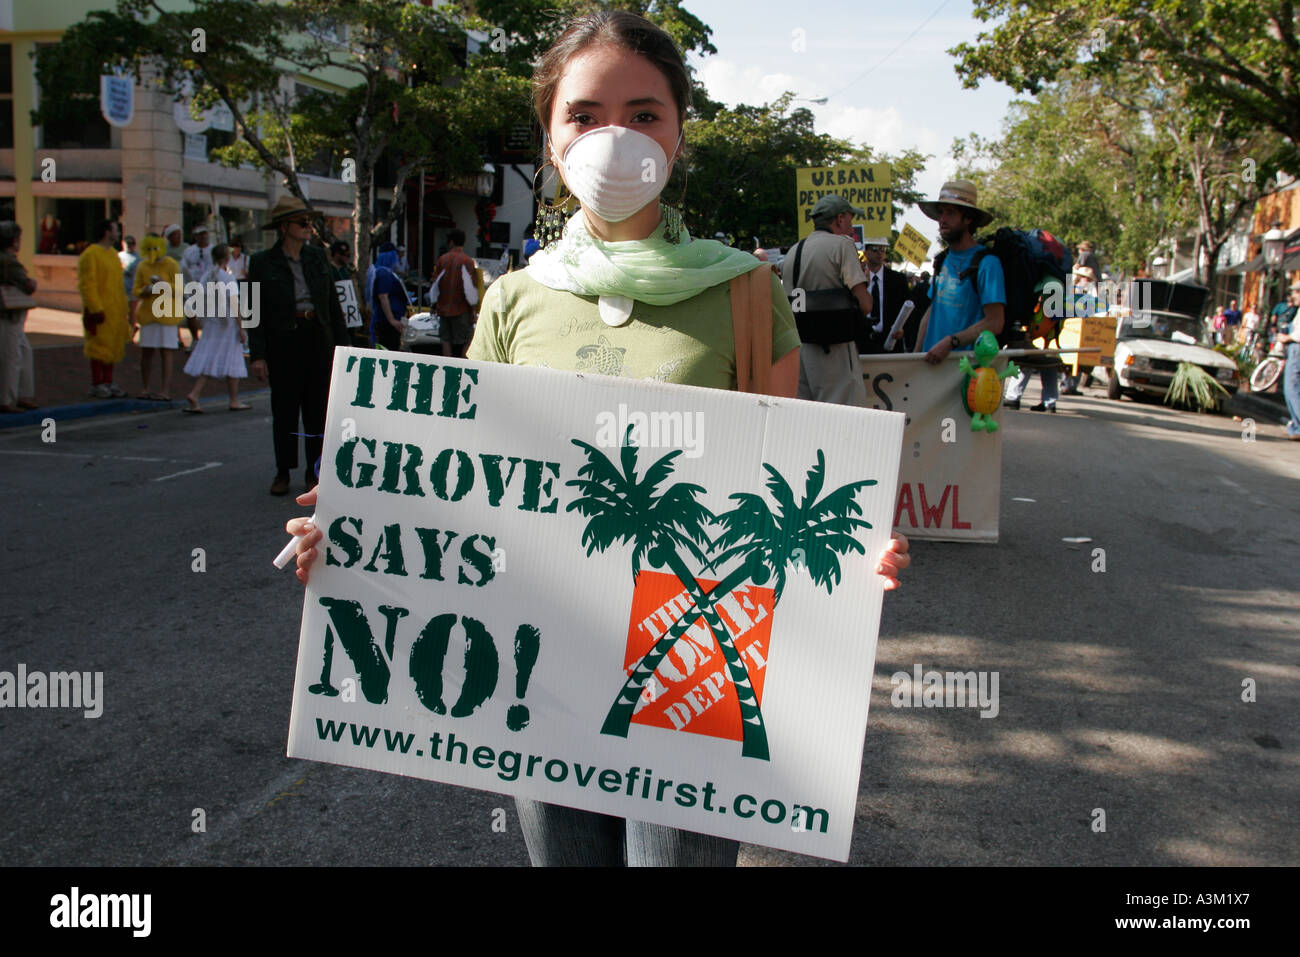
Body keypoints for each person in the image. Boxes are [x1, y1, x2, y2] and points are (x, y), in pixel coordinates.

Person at [283, 10, 911, 867]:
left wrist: (852, 563)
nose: (615, 136)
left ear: (681, 133)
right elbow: (463, 490)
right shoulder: (512, 301)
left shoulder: (745, 290)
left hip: (693, 644)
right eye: (584, 114)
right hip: (545, 654)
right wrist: (355, 526)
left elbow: (784, 485)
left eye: (644, 113)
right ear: (549, 138)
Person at [247, 196, 349, 495]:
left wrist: (344, 351)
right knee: (285, 409)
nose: (308, 227)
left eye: (310, 222)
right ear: (284, 227)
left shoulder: (318, 257)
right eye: (302, 222)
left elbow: (333, 305)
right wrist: (258, 355)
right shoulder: (262, 262)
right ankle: (283, 470)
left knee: (318, 410)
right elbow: (253, 311)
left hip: (317, 336)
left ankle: (313, 472)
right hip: (283, 340)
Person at [780, 195, 873, 405]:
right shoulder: (842, 245)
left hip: (802, 349)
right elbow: (865, 305)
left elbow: (792, 303)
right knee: (844, 421)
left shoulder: (795, 250)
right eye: (849, 219)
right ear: (839, 219)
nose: (851, 226)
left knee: (809, 420)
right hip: (836, 350)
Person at [914, 180, 1005, 365]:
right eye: (941, 212)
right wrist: (914, 355)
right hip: (930, 367)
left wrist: (951, 342)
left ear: (968, 218)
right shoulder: (942, 259)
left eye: (951, 212)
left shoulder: (987, 263)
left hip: (965, 371)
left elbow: (995, 322)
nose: (942, 219)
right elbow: (933, 310)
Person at [183, 243, 249, 413]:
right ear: (227, 258)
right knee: (233, 356)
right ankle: (233, 399)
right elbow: (235, 304)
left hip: (212, 321)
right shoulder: (228, 278)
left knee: (211, 355)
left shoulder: (206, 276)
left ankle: (197, 393)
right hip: (227, 323)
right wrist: (242, 327)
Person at [78, 219, 130, 398]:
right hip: (99, 310)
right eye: (116, 230)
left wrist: (124, 309)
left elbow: (118, 285)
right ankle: (97, 383)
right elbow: (87, 284)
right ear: (107, 232)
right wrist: (95, 308)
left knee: (113, 345)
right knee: (98, 346)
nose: (118, 233)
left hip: (115, 309)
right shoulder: (90, 254)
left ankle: (108, 381)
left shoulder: (114, 255)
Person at [132, 234, 183, 400]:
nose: (153, 252)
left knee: (166, 352)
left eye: (156, 248)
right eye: (149, 249)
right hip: (148, 315)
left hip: (167, 314)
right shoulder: (142, 266)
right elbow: (136, 290)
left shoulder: (171, 264)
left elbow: (180, 289)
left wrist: (163, 284)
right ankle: (145, 388)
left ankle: (165, 391)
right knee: (146, 352)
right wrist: (144, 291)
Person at [0, 221, 39, 413]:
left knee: (23, 352)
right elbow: (28, 285)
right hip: (8, 314)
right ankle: (6, 399)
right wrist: (32, 282)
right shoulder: (8, 262)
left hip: (12, 315)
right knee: (11, 356)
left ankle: (23, 394)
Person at [858, 235, 917, 353]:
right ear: (866, 252)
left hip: (890, 341)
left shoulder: (898, 279)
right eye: (875, 249)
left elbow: (909, 309)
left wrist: (903, 329)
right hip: (863, 342)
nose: (879, 253)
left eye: (883, 249)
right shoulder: (857, 277)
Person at [431, 229, 478, 359]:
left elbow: (436, 284)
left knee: (445, 339)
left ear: (451, 242)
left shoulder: (442, 259)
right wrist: (473, 309)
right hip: (461, 308)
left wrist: (434, 304)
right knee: (467, 338)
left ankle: (448, 364)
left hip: (443, 306)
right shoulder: (467, 261)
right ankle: (462, 365)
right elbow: (469, 287)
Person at [367, 246, 408, 351]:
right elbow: (383, 297)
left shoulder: (387, 272)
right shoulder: (384, 273)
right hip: (386, 323)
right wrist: (392, 320)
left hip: (389, 321)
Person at [181, 225, 213, 350]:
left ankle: (207, 339)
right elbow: (184, 268)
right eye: (200, 234)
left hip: (209, 287)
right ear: (195, 236)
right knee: (191, 314)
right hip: (193, 286)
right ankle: (195, 338)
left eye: (204, 233)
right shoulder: (189, 251)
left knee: (209, 315)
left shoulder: (213, 249)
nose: (203, 236)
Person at [1277, 281, 1300, 441]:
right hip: (1294, 348)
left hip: (1297, 347)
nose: (1293, 296)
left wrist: (1287, 338)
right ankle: (1295, 426)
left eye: (1296, 292)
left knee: (1291, 388)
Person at [119, 235, 141, 329]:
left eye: (131, 243)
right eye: (127, 243)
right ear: (123, 244)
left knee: (132, 313)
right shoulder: (119, 256)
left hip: (132, 288)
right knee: (121, 312)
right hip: (121, 288)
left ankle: (131, 332)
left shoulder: (138, 258)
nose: (129, 245)